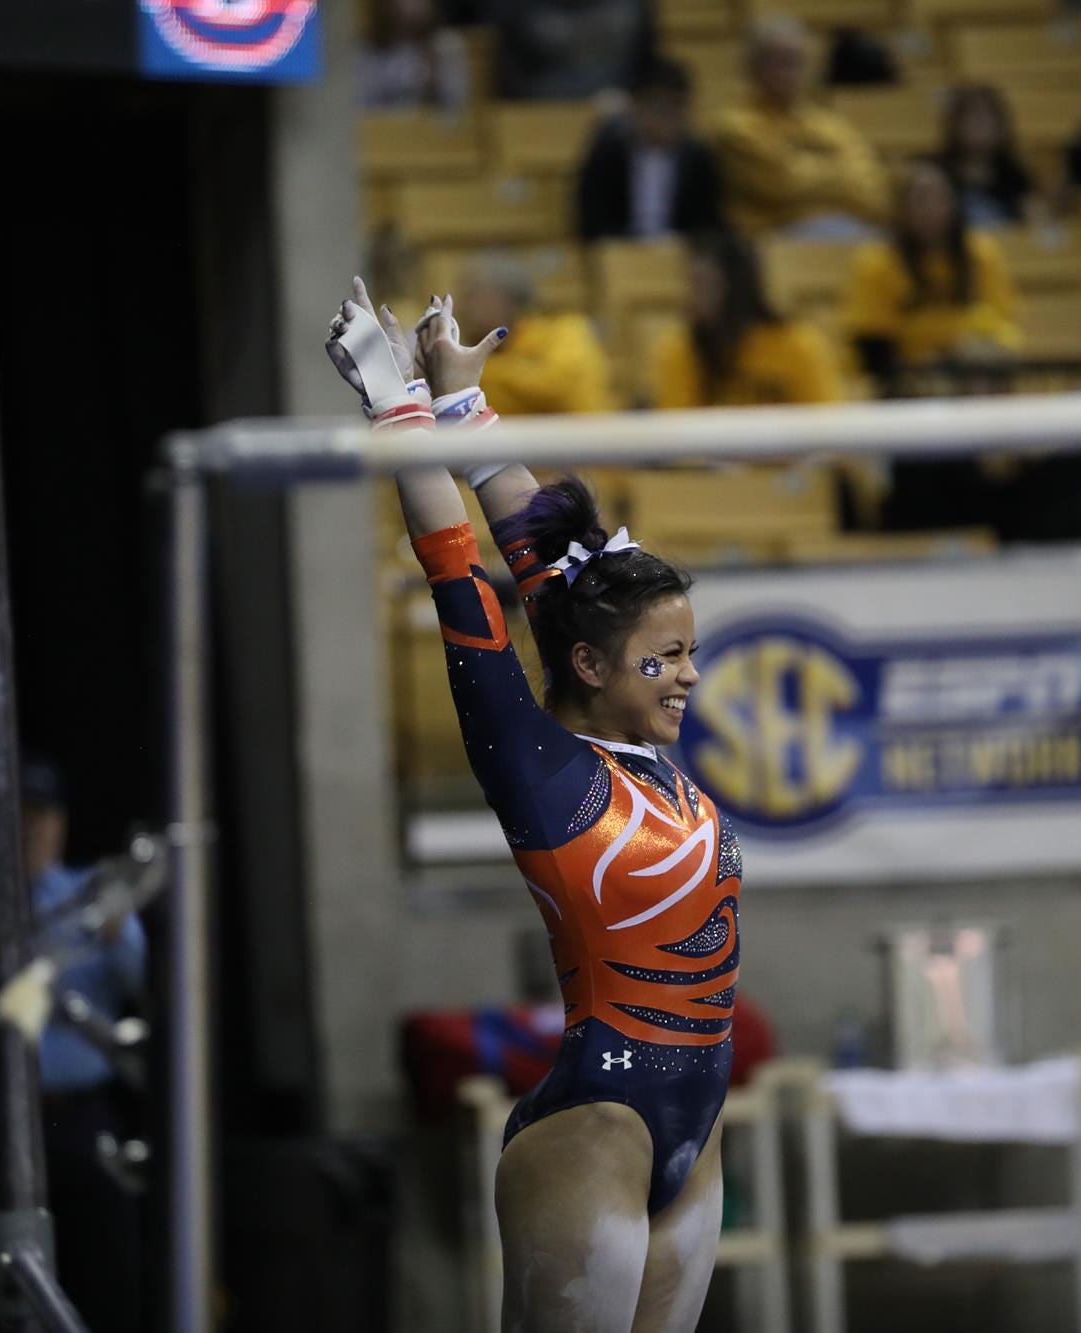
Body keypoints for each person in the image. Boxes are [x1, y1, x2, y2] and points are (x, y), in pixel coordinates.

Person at [326, 280, 744, 1331]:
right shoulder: (539, 767)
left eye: (690, 652)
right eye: (665, 658)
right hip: (592, 1127)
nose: (688, 676)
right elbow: (458, 572)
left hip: (698, 1129)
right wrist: (396, 414)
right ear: (593, 666)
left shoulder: (648, 752)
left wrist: (464, 407)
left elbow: (553, 558)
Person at [0, 758, 147, 1333]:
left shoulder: (91, 894)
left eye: (45, 815)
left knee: (108, 1268)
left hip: (79, 1118)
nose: (34, 829)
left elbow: (141, 984)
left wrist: (116, 933)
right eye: (22, 817)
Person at [843, 159, 1022, 389]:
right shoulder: (877, 262)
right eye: (920, 200)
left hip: (975, 367)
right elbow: (873, 342)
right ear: (902, 208)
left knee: (981, 357)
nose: (931, 209)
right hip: (907, 380)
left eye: (940, 199)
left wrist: (948, 339)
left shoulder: (981, 254)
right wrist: (946, 339)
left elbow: (1003, 324)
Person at [713, 17, 889, 236]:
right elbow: (781, 184)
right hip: (776, 238)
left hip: (848, 229)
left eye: (797, 61)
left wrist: (806, 170)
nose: (791, 72)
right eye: (781, 61)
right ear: (754, 68)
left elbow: (873, 189)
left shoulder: (830, 124)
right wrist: (837, 173)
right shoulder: (737, 126)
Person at [651, 230, 842, 407]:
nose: (693, 296)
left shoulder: (799, 346)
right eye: (690, 283)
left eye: (703, 284)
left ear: (736, 288)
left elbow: (828, 430)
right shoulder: (680, 350)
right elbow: (676, 433)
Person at [576, 58, 725, 242]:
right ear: (637, 107)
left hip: (679, 258)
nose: (668, 121)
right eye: (660, 109)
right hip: (620, 254)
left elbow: (707, 222)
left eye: (677, 109)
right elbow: (591, 222)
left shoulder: (697, 157)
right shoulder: (609, 152)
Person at [455, 254, 617, 414]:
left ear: (512, 301)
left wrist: (480, 368)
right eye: (468, 299)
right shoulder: (473, 353)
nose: (471, 309)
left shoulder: (568, 331)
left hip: (592, 437)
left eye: (482, 298)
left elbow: (554, 385)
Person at [490, 0, 654, 101]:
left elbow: (646, 65)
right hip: (542, 108)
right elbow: (511, 75)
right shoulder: (519, 8)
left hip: (617, 104)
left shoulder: (630, 7)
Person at [931, 84, 1037, 228]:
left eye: (987, 117)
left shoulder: (1016, 176)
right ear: (955, 125)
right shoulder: (936, 173)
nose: (980, 124)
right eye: (972, 116)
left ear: (1001, 126)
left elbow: (1033, 221)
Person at [360, 0, 470, 110]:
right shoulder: (369, 49)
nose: (412, 4)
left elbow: (458, 106)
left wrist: (434, 79)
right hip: (383, 124)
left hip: (430, 123)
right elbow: (363, 105)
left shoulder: (446, 45)